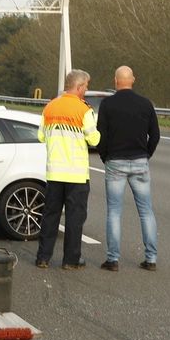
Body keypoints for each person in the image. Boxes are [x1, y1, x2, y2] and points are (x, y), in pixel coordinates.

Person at [94, 66, 160, 272]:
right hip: (139, 161)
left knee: (114, 212)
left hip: (115, 162)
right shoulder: (145, 104)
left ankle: (112, 259)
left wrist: (105, 157)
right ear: (133, 80)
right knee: (146, 211)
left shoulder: (107, 104)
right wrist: (146, 154)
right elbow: (155, 135)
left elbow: (100, 136)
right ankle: (151, 259)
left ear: (116, 81)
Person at [34, 69, 101, 270]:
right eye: (86, 86)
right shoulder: (84, 110)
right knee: (74, 218)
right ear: (79, 87)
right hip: (77, 174)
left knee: (50, 216)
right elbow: (94, 139)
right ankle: (71, 260)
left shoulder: (50, 106)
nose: (86, 90)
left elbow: (41, 137)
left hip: (54, 172)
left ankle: (43, 257)